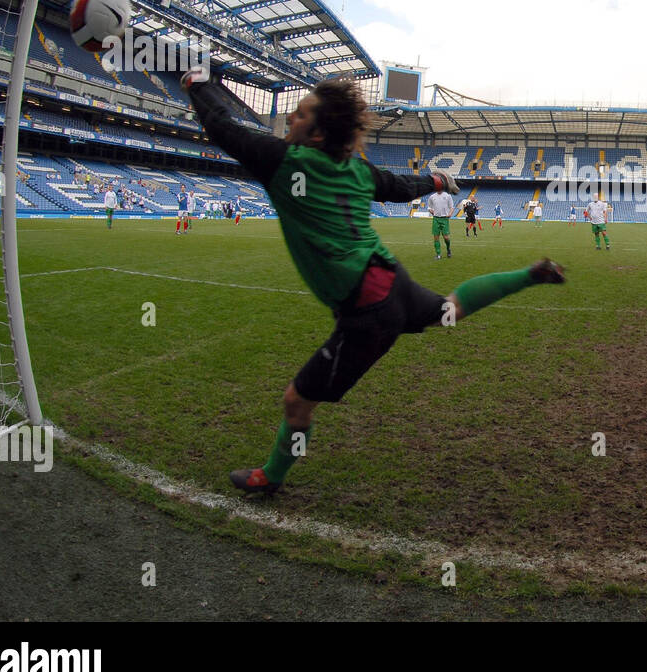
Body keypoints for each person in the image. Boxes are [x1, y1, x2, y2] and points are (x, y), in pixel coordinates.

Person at [179, 70, 565, 495]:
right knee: (450, 310)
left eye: (301, 113)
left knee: (297, 400)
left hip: (368, 311)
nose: (291, 118)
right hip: (392, 282)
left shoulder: (283, 162)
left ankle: (271, 476)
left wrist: (198, 83)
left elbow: (221, 126)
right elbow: (398, 187)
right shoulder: (356, 170)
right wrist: (436, 180)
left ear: (320, 132)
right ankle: (530, 275)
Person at [429, 183, 455, 258]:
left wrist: (450, 213)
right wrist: (431, 211)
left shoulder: (447, 196)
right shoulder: (432, 197)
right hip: (436, 219)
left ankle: (448, 249)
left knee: (446, 237)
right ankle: (438, 254)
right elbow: (429, 207)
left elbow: (451, 207)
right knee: (436, 237)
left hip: (444, 219)